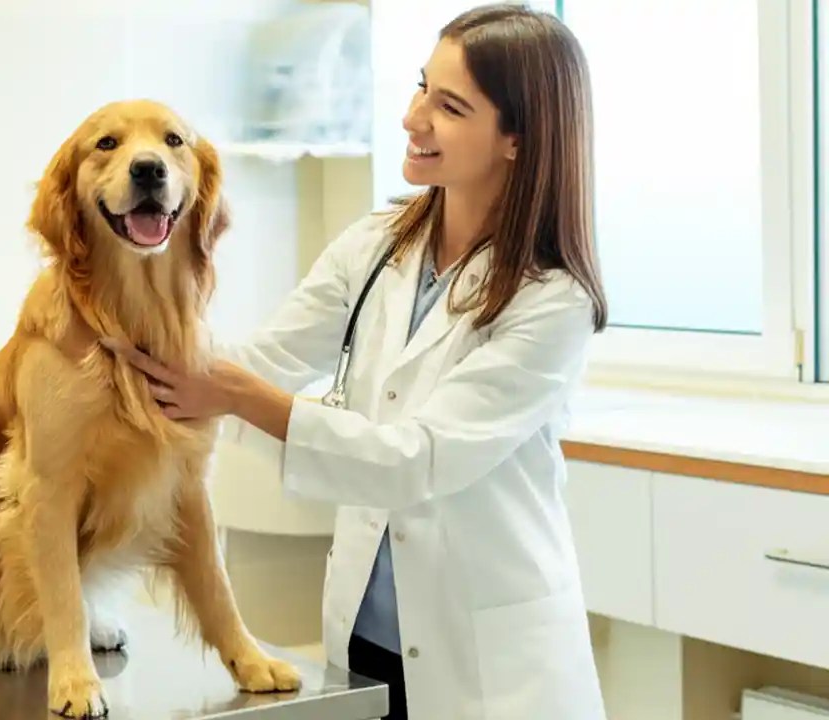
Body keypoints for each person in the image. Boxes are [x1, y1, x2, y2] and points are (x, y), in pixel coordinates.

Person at [103, 3, 608, 719]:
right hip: (368, 640)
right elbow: (264, 361)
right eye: (420, 87)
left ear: (517, 140)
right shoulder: (376, 245)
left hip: (492, 668)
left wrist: (234, 394)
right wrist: (130, 339)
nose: (413, 117)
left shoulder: (553, 300)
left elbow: (417, 460)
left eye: (450, 106)